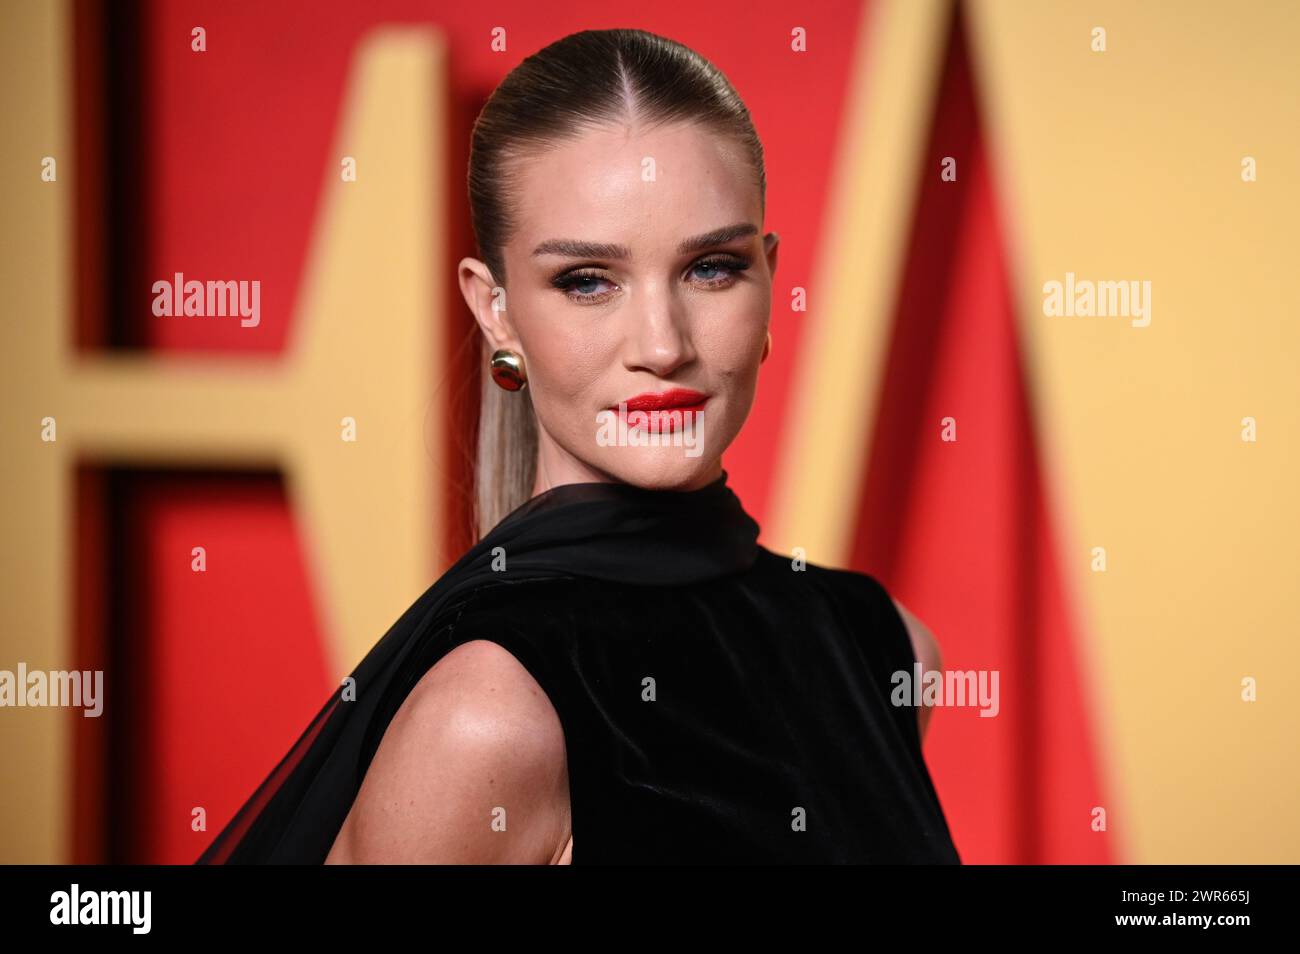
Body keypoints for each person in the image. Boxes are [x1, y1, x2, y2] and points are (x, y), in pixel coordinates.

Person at [197, 27, 959, 865]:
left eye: (711, 267)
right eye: (587, 281)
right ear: (495, 310)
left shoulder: (885, 648)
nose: (663, 345)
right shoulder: (490, 718)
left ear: (770, 278)